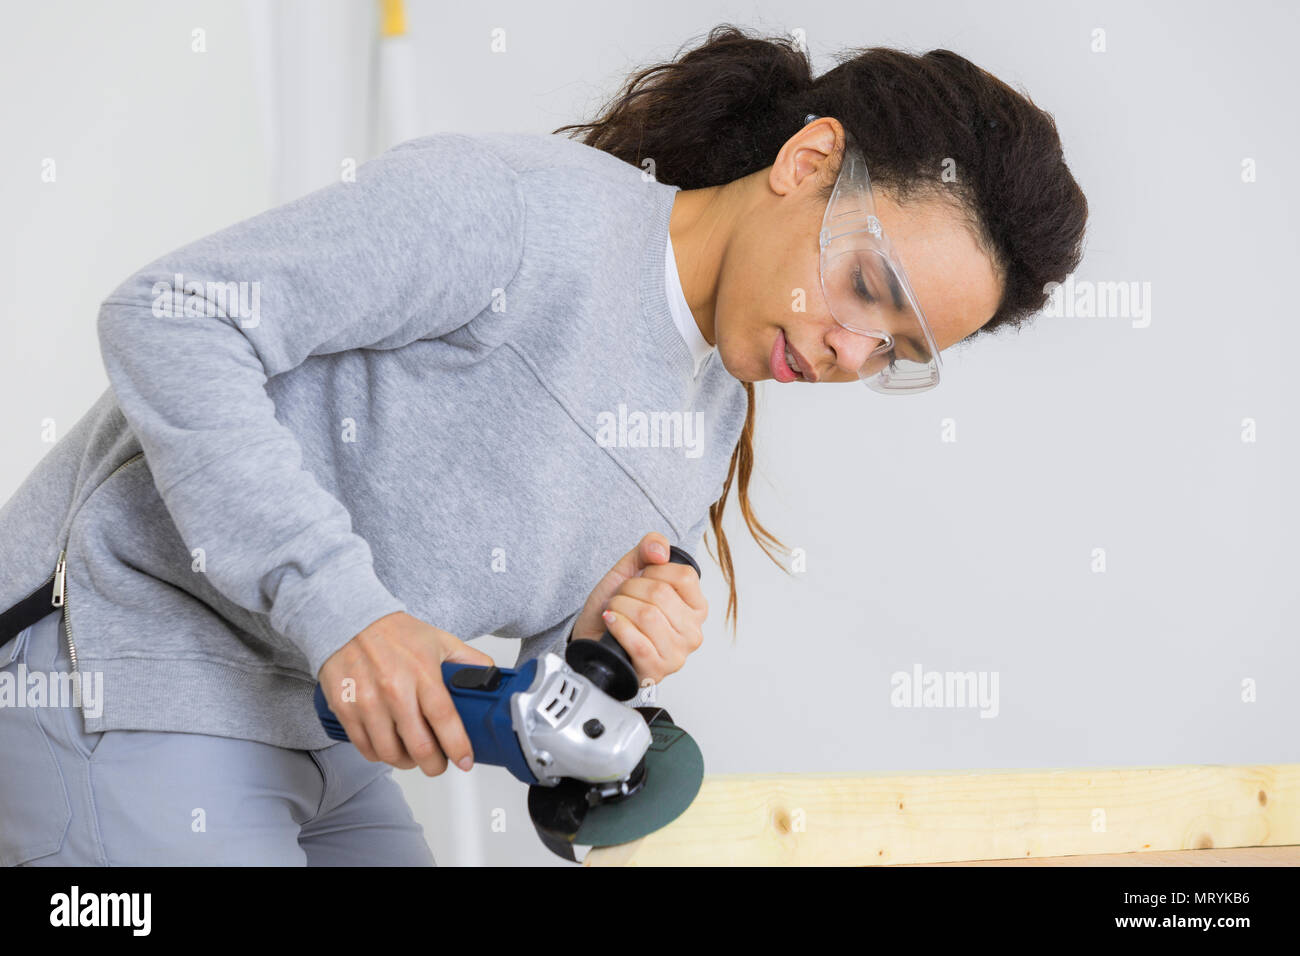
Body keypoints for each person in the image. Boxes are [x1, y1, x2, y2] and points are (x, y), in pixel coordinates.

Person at [0, 24, 1087, 866]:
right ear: (807, 161)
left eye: (897, 349)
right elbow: (170, 314)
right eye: (865, 288)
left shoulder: (705, 410)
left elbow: (488, 623)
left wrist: (592, 651)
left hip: (314, 736)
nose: (851, 351)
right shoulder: (515, 212)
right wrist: (348, 614)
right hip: (124, 668)